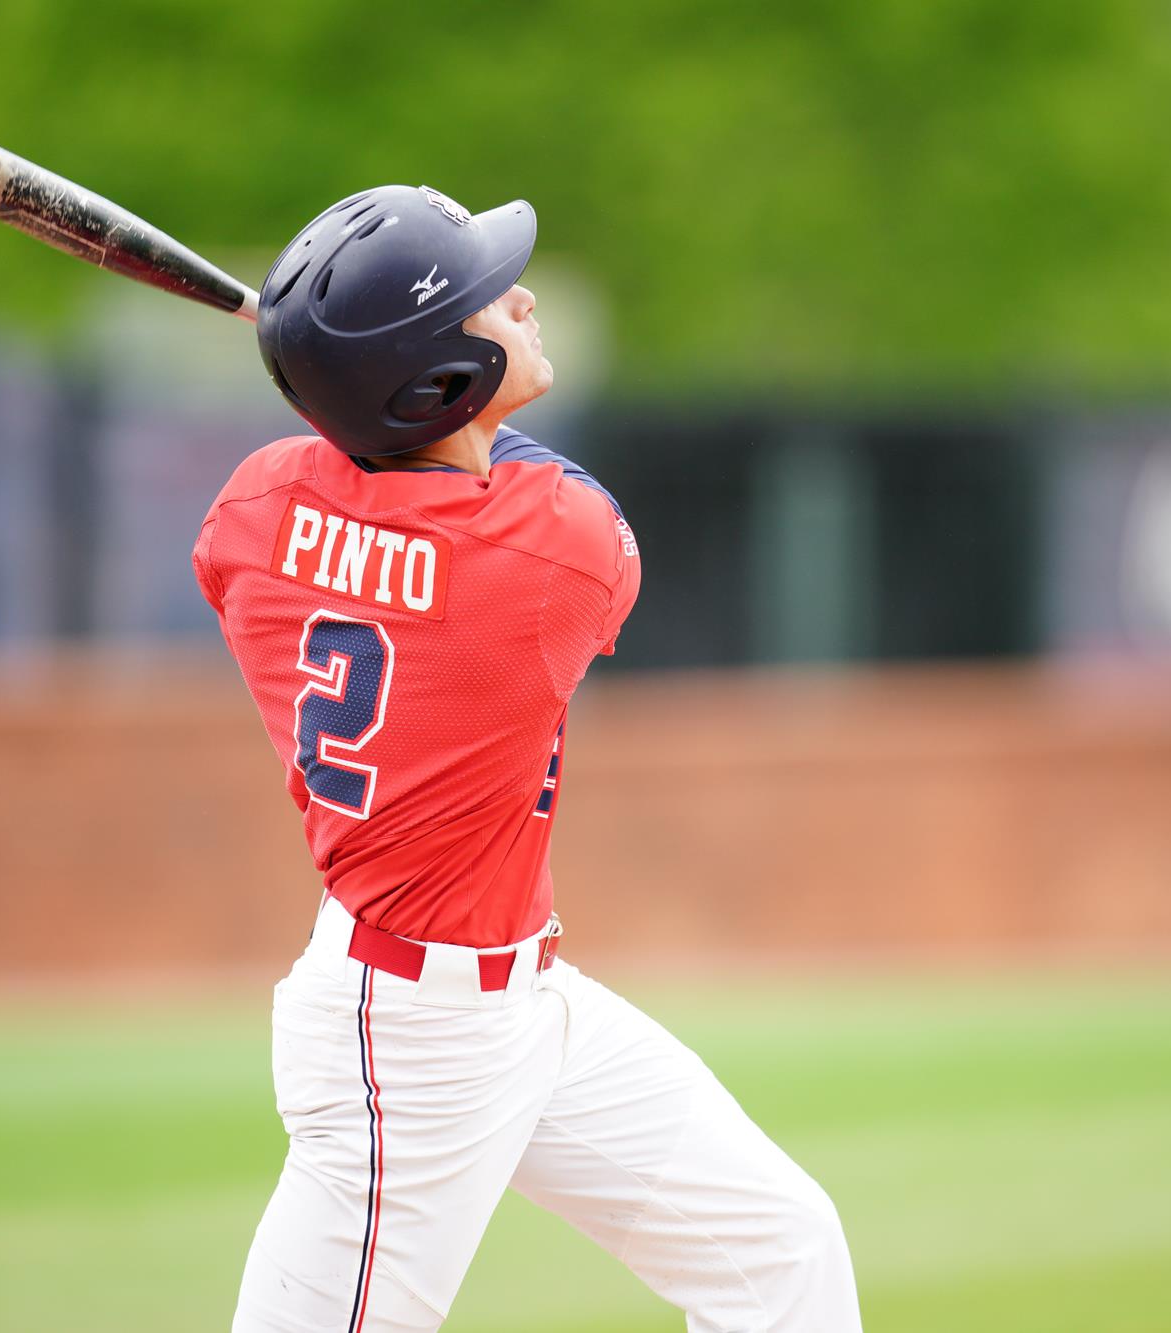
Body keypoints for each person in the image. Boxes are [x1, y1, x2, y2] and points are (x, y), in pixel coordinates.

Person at [194, 184, 861, 1332]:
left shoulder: (253, 503)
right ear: (438, 384)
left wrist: (358, 399)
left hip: (523, 1005)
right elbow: (516, 495)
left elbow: (366, 490)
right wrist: (389, 414)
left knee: (776, 1253)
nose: (523, 296)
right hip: (405, 1043)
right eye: (484, 301)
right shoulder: (555, 559)